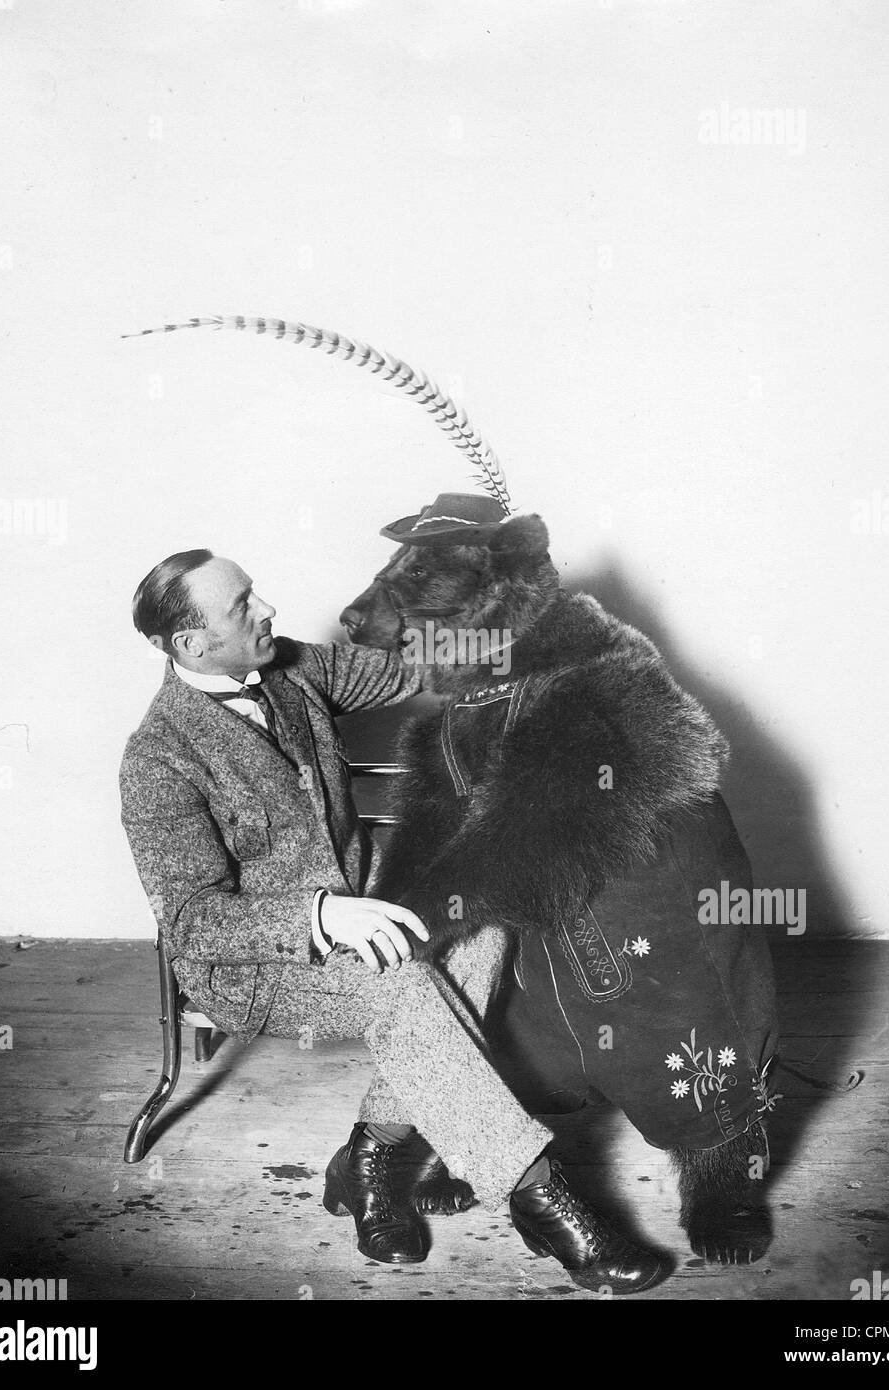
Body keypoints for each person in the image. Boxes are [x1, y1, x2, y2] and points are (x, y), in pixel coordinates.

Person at [118, 547, 666, 1292]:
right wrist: (320, 916)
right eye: (243, 605)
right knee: (408, 987)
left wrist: (510, 608)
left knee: (482, 928)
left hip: (365, 891)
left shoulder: (291, 667)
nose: (269, 609)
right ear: (191, 644)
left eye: (255, 593)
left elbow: (412, 668)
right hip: (260, 962)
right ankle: (542, 1198)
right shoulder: (157, 759)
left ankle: (367, 1159)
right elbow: (190, 922)